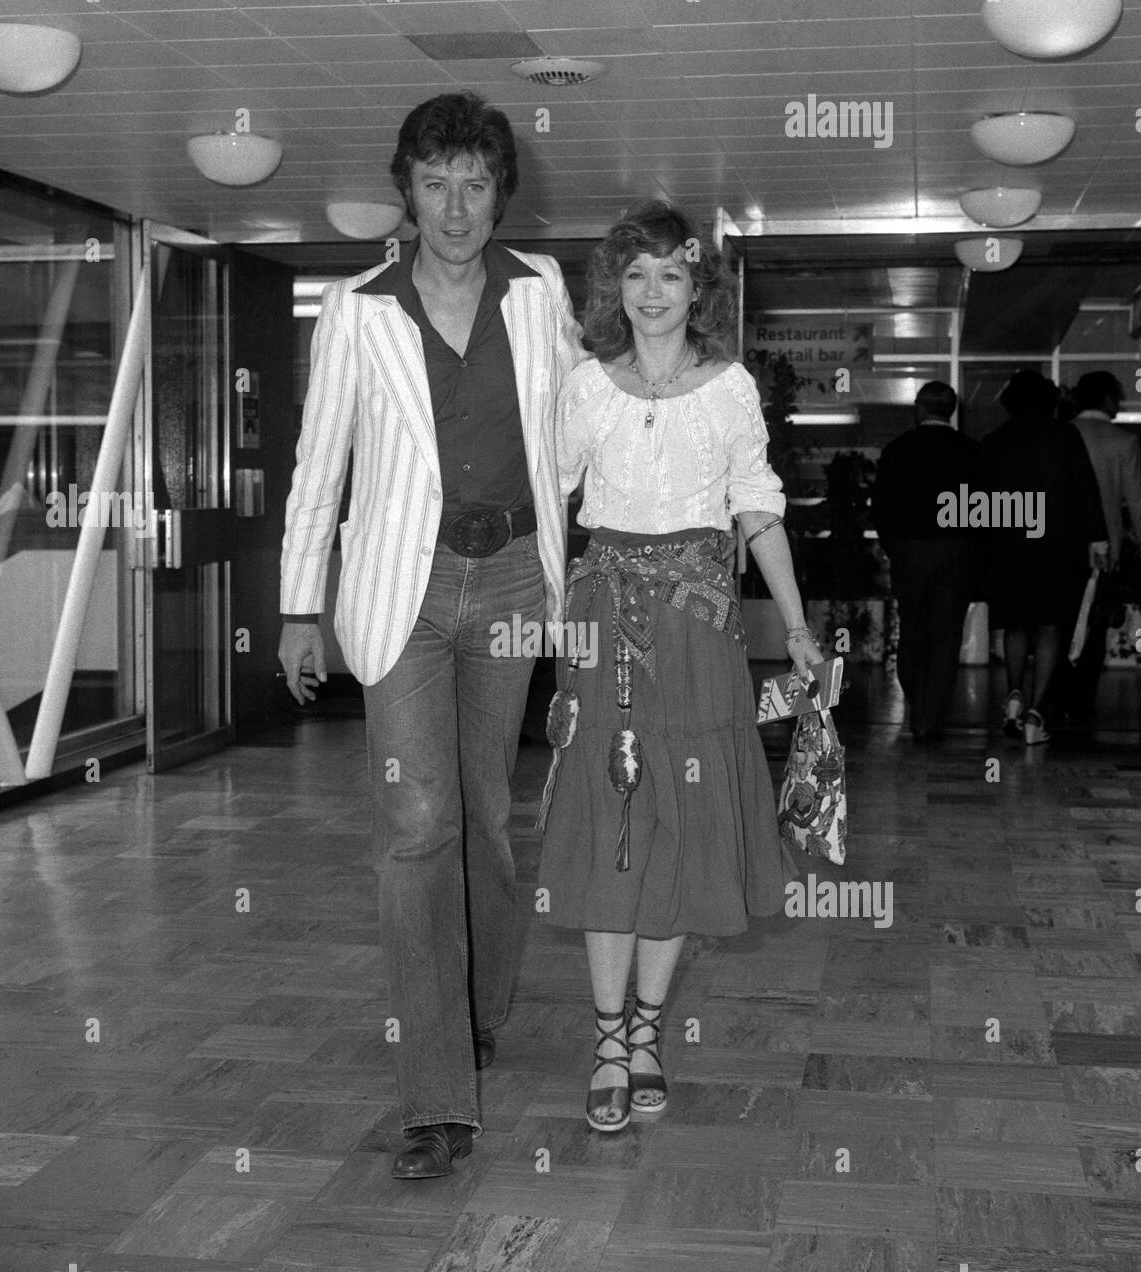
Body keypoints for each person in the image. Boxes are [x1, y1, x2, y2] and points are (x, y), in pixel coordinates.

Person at [279, 92, 585, 1180]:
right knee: (417, 829)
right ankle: (435, 1097)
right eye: (435, 183)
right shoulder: (356, 311)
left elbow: (573, 430)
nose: (456, 207)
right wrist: (297, 607)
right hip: (401, 595)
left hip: (509, 582)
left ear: (502, 192)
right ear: (404, 190)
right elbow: (319, 468)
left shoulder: (538, 293)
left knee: (489, 823)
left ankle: (476, 1004)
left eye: (476, 183)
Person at [535, 201, 822, 1133]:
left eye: (671, 274)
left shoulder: (731, 385)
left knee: (684, 829)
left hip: (700, 631)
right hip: (603, 622)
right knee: (614, 822)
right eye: (636, 274)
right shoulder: (585, 385)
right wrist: (545, 617)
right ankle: (609, 1037)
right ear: (614, 288)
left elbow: (758, 507)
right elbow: (552, 503)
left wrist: (799, 625)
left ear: (698, 288)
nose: (653, 293)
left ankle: (649, 1031)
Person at [977, 370, 1108, 746]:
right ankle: (1035, 714)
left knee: (1016, 624)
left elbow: (982, 502)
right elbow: (1086, 489)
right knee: (1051, 626)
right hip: (1057, 546)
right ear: (1049, 400)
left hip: (1009, 546)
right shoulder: (1066, 435)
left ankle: (1014, 693)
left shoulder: (994, 441)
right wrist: (1097, 540)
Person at [871, 381, 980, 742]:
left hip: (909, 551)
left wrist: (893, 546)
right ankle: (932, 718)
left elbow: (882, 506)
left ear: (919, 409)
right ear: (951, 410)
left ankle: (917, 703)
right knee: (946, 634)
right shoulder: (971, 451)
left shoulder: (898, 450)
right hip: (956, 550)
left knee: (913, 628)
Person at [1060, 371, 1141, 723]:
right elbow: (1138, 500)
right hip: (1104, 552)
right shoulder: (1124, 441)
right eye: (1117, 397)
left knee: (1059, 625)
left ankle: (1054, 697)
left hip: (1058, 548)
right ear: (1105, 400)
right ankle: (1081, 702)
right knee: (1096, 625)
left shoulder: (1060, 434)